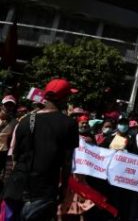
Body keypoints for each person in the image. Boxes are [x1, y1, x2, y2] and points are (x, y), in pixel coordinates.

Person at [4, 78, 79, 221]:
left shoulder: (26, 120)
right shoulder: (69, 124)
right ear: (63, 98)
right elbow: (67, 161)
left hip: (16, 188)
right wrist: (63, 188)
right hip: (42, 191)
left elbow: (15, 155)